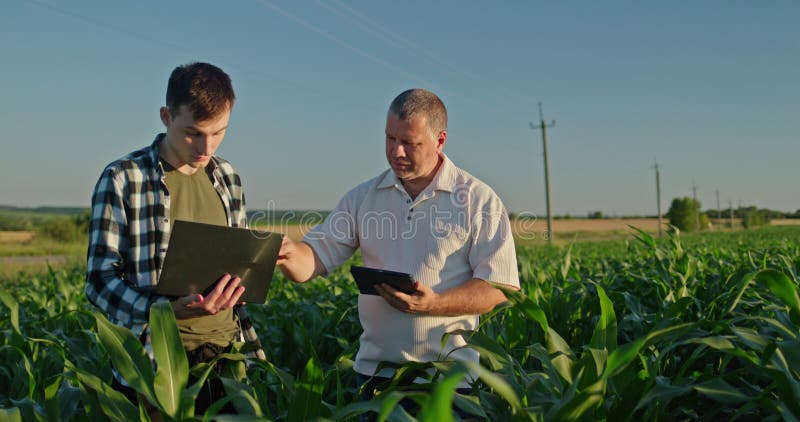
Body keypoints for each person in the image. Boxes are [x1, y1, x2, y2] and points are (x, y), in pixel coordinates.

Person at [277, 88, 519, 416]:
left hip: (450, 383)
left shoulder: (478, 200)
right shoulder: (363, 198)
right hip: (375, 380)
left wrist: (433, 304)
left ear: (440, 140)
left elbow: (500, 287)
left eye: (410, 143)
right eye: (390, 139)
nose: (397, 151)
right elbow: (316, 257)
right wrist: (288, 253)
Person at [85, 62, 264, 414]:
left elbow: (234, 260)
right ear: (166, 116)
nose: (205, 147)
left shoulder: (228, 177)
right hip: (156, 361)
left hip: (225, 358)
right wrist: (162, 312)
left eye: (219, 132)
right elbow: (99, 281)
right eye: (193, 133)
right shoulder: (123, 178)